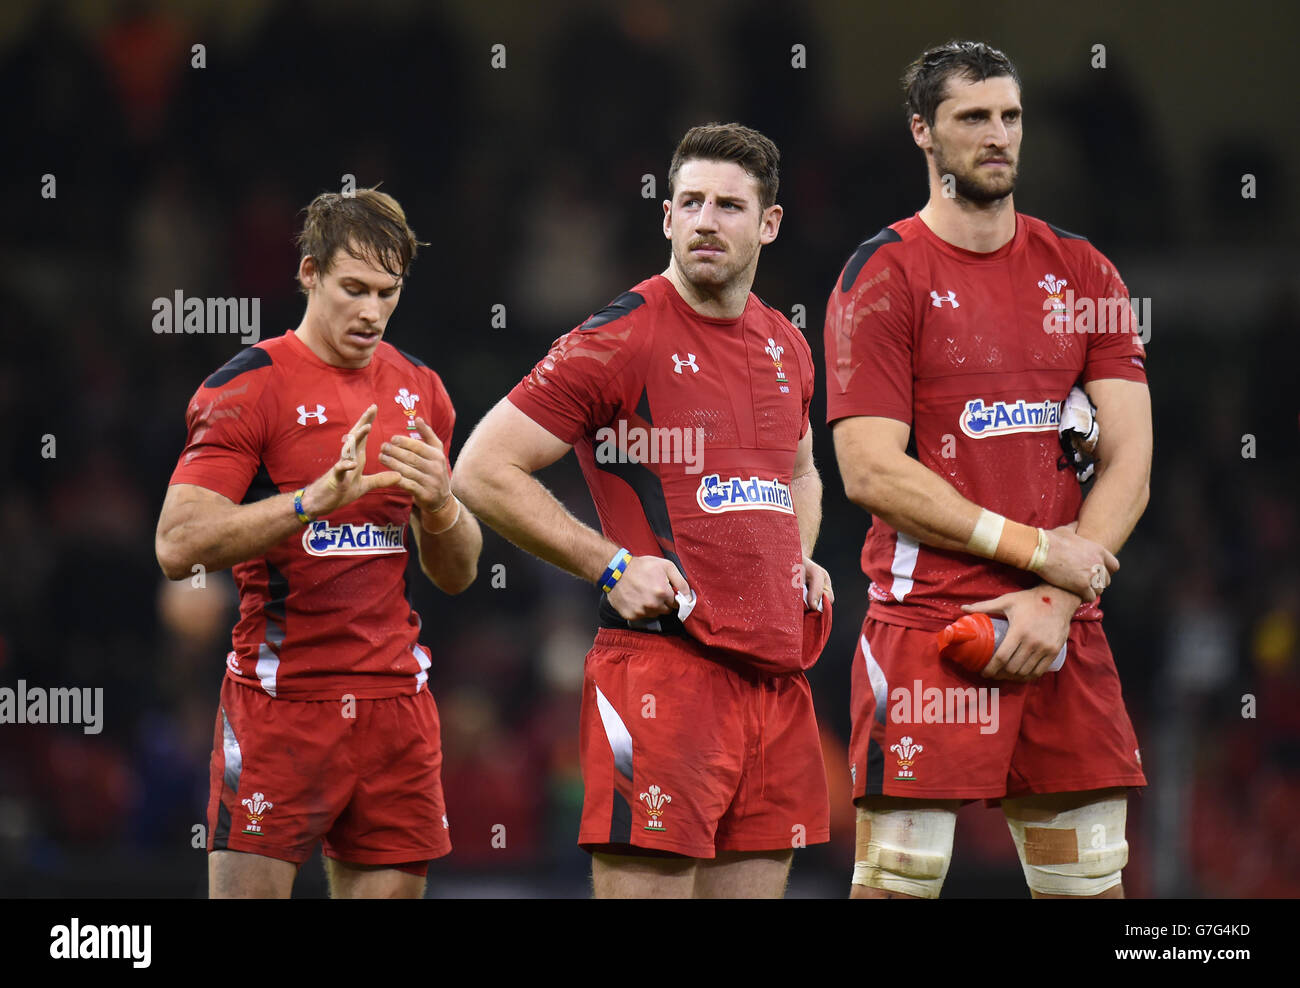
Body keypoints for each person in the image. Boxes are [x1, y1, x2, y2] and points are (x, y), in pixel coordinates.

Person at [452, 123, 834, 898]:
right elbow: (481, 469)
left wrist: (800, 556)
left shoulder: (788, 345)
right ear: (665, 218)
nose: (704, 220)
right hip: (665, 673)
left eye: (729, 205)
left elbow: (802, 470)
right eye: (689, 202)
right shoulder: (618, 335)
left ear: (769, 224)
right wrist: (609, 564)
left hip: (776, 683)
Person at [824, 41, 1152, 899]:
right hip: (929, 624)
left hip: (1061, 631)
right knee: (897, 884)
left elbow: (1133, 462)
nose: (997, 134)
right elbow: (869, 471)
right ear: (923, 133)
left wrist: (1055, 598)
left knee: (1089, 889)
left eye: (1009, 116)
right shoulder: (881, 276)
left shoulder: (1083, 272)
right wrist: (1045, 557)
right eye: (973, 117)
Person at [154, 188, 482, 898]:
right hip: (281, 706)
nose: (371, 311)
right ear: (308, 274)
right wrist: (308, 503)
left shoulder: (422, 389)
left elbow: (456, 574)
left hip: (396, 706)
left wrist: (441, 504)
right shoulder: (246, 386)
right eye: (354, 289)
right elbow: (177, 545)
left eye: (388, 293)